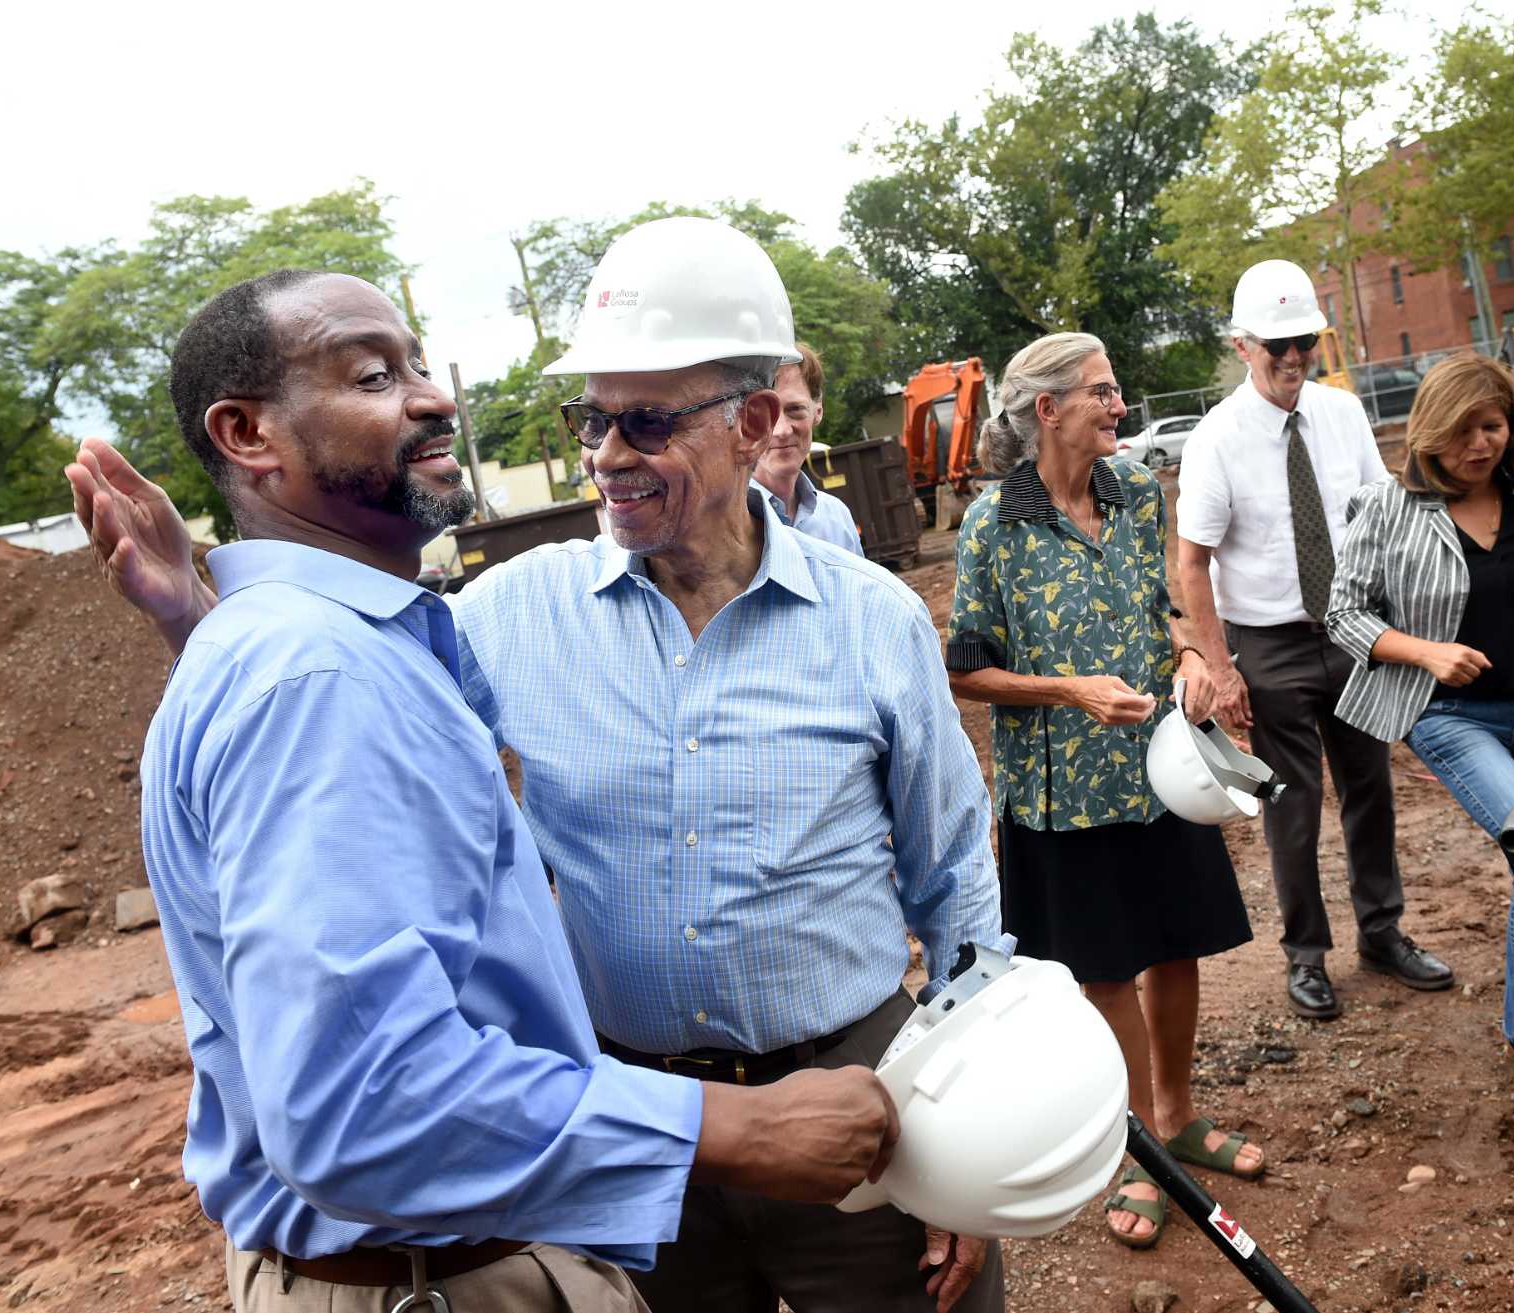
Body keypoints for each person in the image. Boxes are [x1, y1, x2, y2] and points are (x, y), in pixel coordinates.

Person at [73, 218, 1007, 1313]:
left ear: (754, 423)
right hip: (620, 1142)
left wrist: (964, 1133)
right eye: (591, 417)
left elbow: (956, 887)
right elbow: (334, 711)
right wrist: (215, 618)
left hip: (853, 1104)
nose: (605, 452)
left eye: (645, 421)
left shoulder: (874, 620)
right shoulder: (500, 615)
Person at [946, 332, 1258, 1250]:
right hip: (1062, 796)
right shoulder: (993, 525)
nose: (1119, 406)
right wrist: (1069, 689)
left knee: (1178, 947)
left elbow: (1156, 607)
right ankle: (1140, 1158)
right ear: (1047, 410)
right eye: (1103, 392)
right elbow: (969, 669)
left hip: (1160, 770)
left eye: (1116, 390)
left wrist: (1194, 653)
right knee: (1109, 970)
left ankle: (1179, 1115)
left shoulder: (1133, 495)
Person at [1326, 354, 1514, 1149]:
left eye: (1492, 427)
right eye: (1461, 433)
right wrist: (1424, 651)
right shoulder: (1386, 507)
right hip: (1453, 716)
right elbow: (1344, 617)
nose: (1478, 445)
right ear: (1429, 431)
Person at [1176, 259, 1454, 1021]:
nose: (1294, 358)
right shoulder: (1216, 440)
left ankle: (1382, 931)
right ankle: (1305, 955)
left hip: (1353, 629)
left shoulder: (1343, 414)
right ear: (1242, 346)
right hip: (1269, 646)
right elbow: (1192, 564)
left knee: (1371, 789)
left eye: (1305, 341)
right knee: (1292, 806)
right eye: (1278, 346)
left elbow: (1378, 515)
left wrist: (1397, 621)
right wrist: (1224, 668)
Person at [753, 340, 863, 554]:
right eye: (766, 414)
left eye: (795, 409)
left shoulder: (837, 519)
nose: (781, 430)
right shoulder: (718, 528)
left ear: (818, 411)